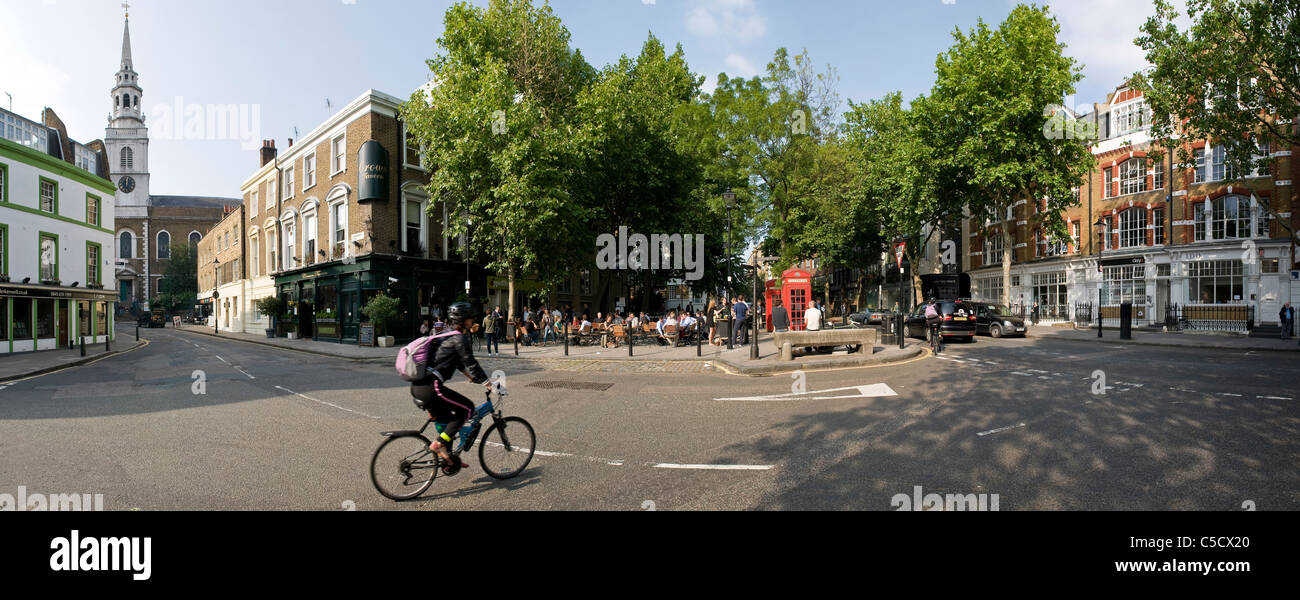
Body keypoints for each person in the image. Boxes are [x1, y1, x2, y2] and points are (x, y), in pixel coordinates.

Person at [409, 302, 491, 472]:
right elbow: (470, 361)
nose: (473, 321)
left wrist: (466, 375)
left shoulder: (446, 334)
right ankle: (439, 445)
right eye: (470, 318)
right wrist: (486, 382)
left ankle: (449, 459)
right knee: (467, 409)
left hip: (419, 386)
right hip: (431, 388)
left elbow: (452, 359)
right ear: (463, 320)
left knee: (449, 423)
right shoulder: (459, 337)